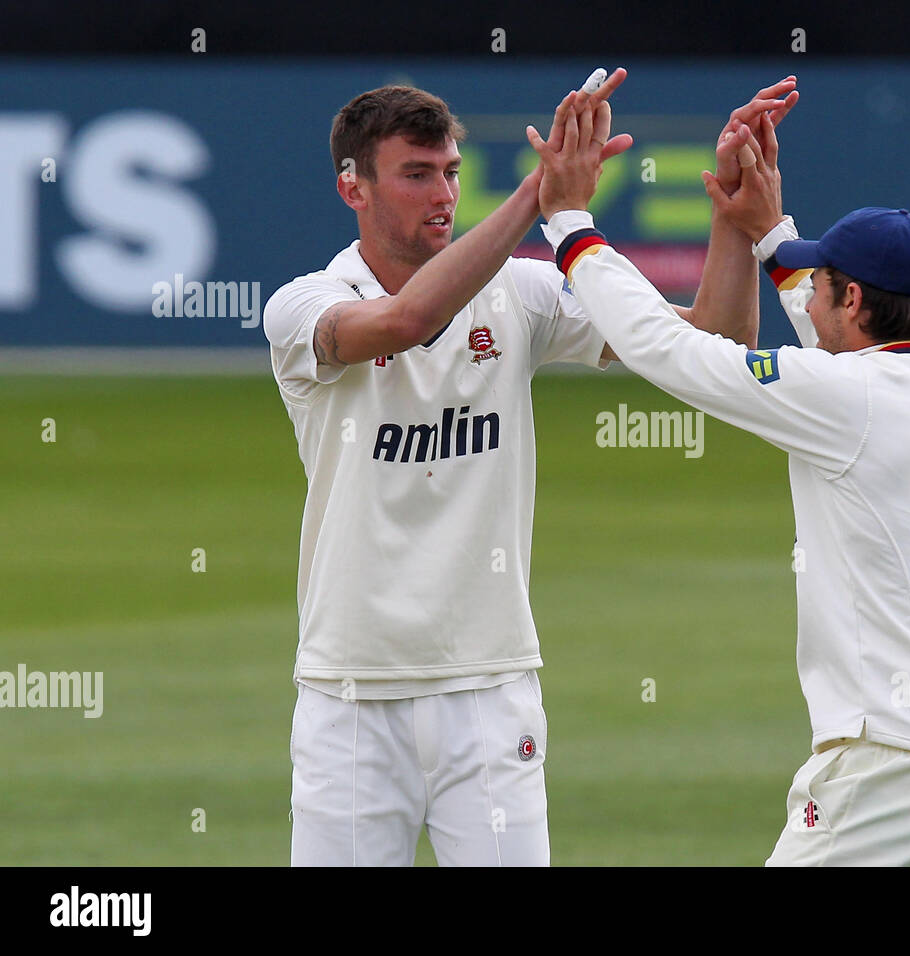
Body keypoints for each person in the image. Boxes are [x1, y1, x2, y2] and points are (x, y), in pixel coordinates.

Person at [262, 72, 797, 866]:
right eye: (416, 174)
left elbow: (710, 342)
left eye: (449, 171)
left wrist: (731, 220)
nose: (442, 193)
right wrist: (542, 198)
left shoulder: (525, 293)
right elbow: (408, 321)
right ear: (353, 187)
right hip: (349, 691)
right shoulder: (305, 305)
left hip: (489, 685)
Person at [528, 97, 910, 866]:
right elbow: (839, 350)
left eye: (823, 281)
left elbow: (671, 350)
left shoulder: (850, 398)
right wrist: (770, 236)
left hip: (892, 764)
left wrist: (570, 227)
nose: (812, 291)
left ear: (853, 298)